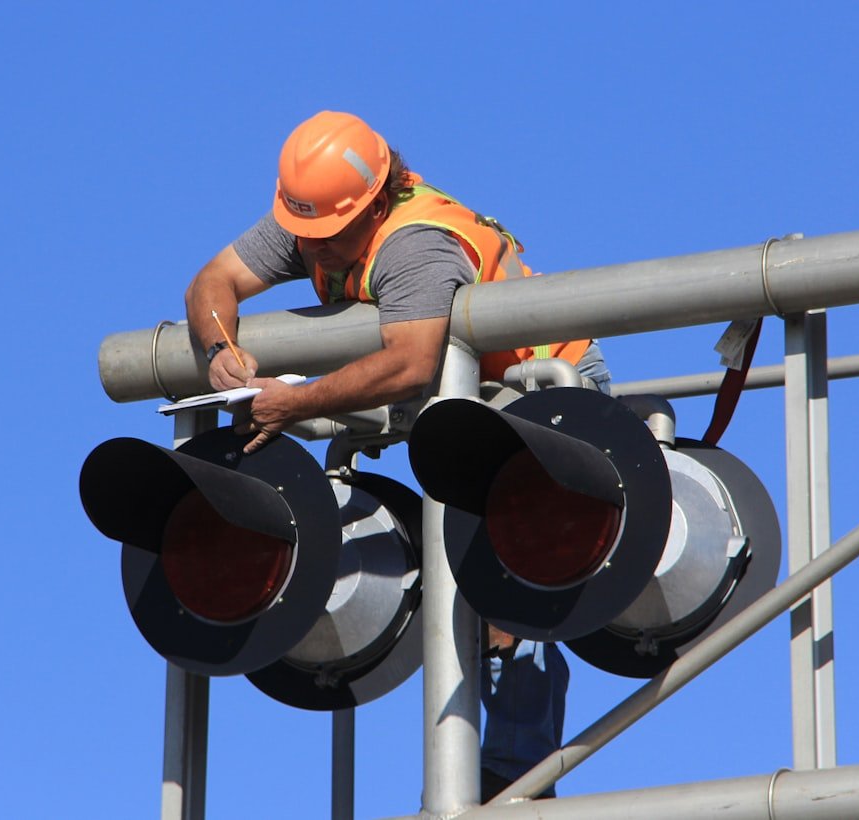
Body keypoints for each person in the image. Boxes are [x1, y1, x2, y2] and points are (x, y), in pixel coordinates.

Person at [184, 110, 611, 801]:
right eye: (305, 236)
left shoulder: (414, 246)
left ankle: (512, 775)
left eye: (329, 238)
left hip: (545, 388)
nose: (314, 254)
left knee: (513, 552)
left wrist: (296, 402)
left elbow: (411, 364)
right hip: (460, 397)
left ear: (374, 200)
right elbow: (212, 282)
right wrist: (218, 352)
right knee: (469, 556)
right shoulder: (313, 218)